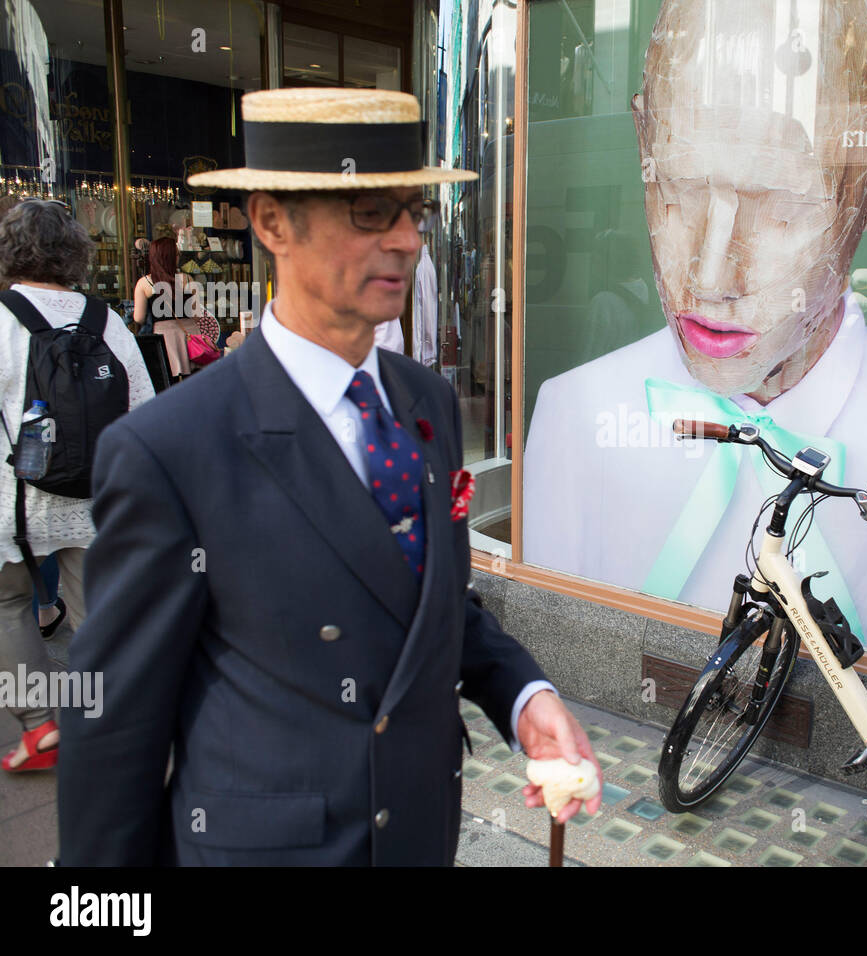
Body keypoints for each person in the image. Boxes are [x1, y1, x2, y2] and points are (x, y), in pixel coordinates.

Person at [57, 87, 600, 866]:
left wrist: (524, 696)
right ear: (273, 221)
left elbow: (432, 600)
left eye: (416, 211)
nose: (409, 240)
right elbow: (114, 733)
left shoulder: (428, 402)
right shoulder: (171, 448)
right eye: (373, 213)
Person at [523, 0, 867, 668]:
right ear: (643, 137)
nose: (712, 274)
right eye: (678, 189)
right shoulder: (575, 412)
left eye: (781, 210)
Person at [0, 198, 154, 771]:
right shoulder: (105, 320)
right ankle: (111, 729)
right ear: (76, 253)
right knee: (96, 610)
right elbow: (144, 411)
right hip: (93, 495)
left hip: (12, 499)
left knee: (11, 605)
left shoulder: (1, 317)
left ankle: (40, 730)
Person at [133, 236, 209, 375]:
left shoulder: (144, 283)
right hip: (190, 336)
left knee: (169, 379)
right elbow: (197, 315)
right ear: (171, 257)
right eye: (177, 254)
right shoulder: (187, 279)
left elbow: (138, 318)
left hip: (165, 337)